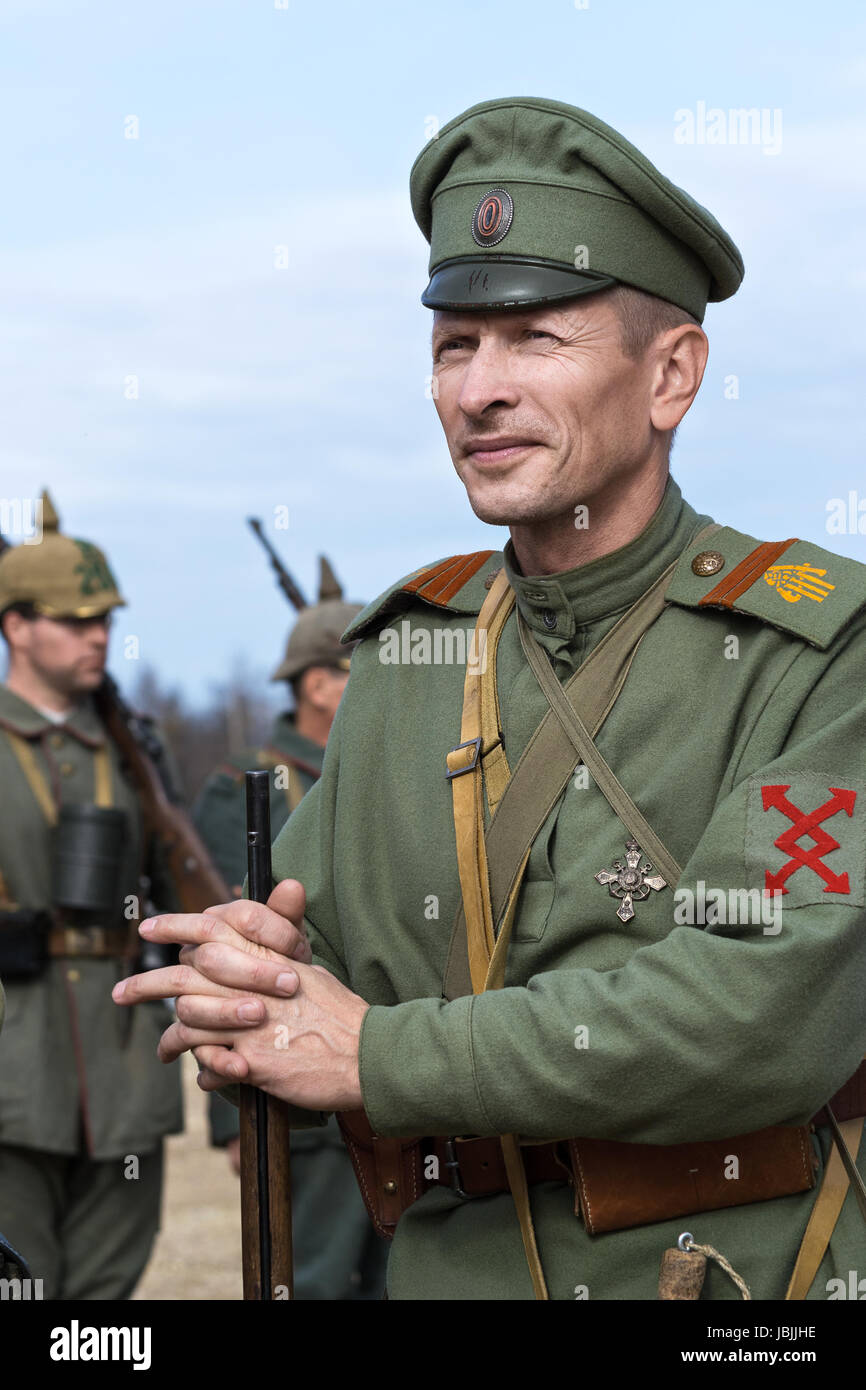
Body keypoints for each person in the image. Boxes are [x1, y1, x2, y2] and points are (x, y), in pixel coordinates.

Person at [114, 97, 866, 1301]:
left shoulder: (816, 651)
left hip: (731, 1282)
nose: (478, 390)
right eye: (453, 346)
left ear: (670, 375)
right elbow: (314, 971)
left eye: (534, 340)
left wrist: (374, 1051)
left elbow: (754, 1016)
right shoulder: (410, 655)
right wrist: (243, 998)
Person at [0, 492, 182, 1299]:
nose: (99, 635)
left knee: (101, 1310)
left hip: (121, 1072)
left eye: (104, 618)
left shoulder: (130, 748)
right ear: (16, 626)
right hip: (12, 1071)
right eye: (75, 619)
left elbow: (185, 893)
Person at [193, 558, 388, 1299]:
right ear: (317, 684)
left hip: (392, 1072)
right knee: (312, 1280)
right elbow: (217, 947)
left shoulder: (392, 773)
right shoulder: (248, 781)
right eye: (361, 671)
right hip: (297, 1078)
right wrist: (231, 1124)